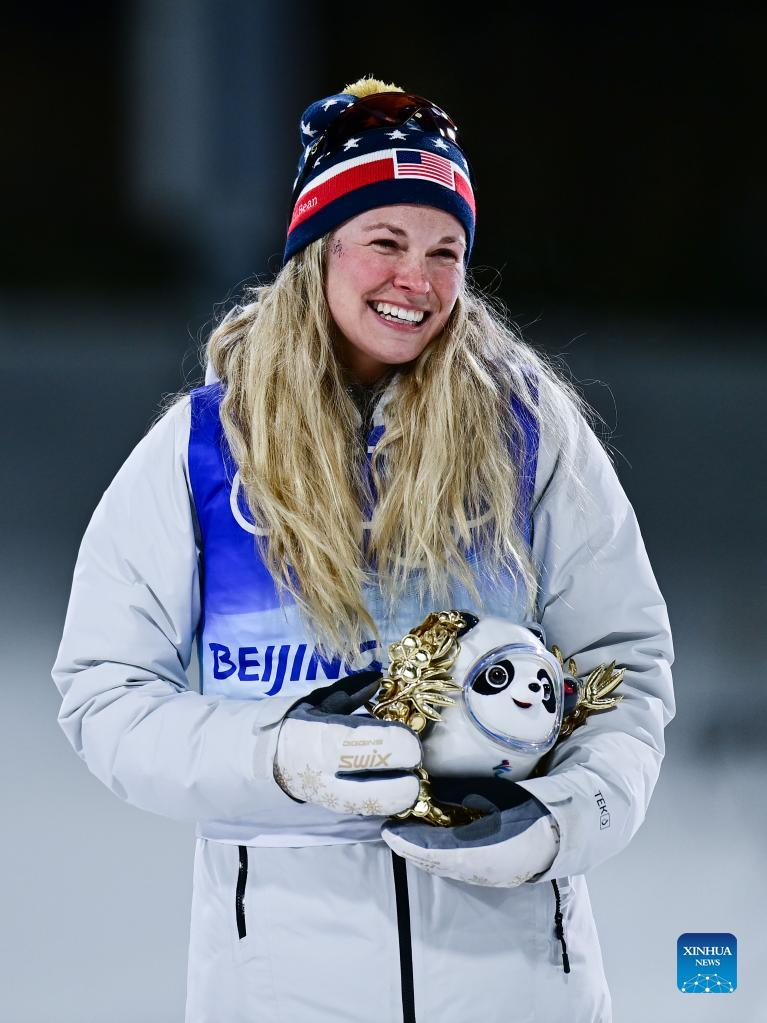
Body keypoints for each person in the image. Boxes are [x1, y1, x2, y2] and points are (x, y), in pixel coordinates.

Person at [52, 76, 675, 1023]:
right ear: (317, 250)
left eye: (444, 251)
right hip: (280, 983)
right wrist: (279, 761)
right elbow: (104, 690)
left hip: (516, 978)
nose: (415, 281)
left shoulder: (528, 431)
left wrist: (561, 822)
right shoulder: (204, 449)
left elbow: (622, 665)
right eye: (384, 240)